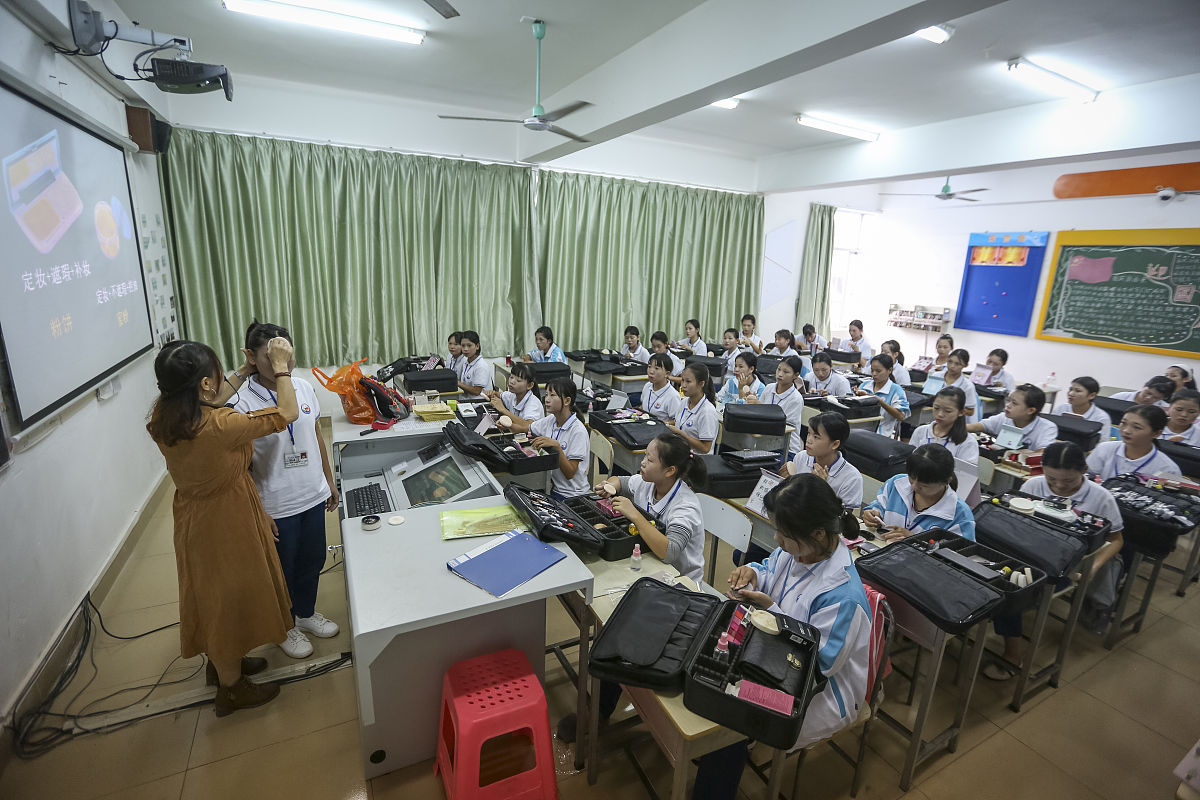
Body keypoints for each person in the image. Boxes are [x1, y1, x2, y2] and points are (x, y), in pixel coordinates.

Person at [692, 475, 871, 800]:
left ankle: (717, 773)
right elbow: (772, 568)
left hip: (821, 691)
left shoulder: (843, 595)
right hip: (773, 654)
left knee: (734, 716)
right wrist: (754, 573)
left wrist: (771, 610)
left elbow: (820, 666)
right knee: (715, 669)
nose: (777, 540)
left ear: (817, 534)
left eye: (784, 535)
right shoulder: (801, 549)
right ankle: (720, 754)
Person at [146, 338, 298, 715]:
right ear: (204, 384)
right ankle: (231, 688)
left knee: (213, 593)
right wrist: (280, 368)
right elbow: (287, 413)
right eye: (214, 374)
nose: (219, 379)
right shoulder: (220, 424)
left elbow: (211, 399)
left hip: (194, 515)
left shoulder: (166, 417)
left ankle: (223, 663)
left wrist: (245, 370)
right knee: (229, 597)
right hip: (226, 517)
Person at [557, 431, 709, 744]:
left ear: (669, 470)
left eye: (649, 459)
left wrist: (635, 514)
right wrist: (610, 485)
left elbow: (669, 551)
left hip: (679, 590)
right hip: (648, 576)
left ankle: (600, 710)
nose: (642, 462)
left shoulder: (685, 507)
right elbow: (623, 482)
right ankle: (602, 702)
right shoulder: (649, 483)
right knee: (606, 614)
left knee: (616, 630)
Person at [231, 321, 340, 660]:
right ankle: (284, 627)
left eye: (287, 356)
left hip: (310, 492)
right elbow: (240, 465)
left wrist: (328, 481)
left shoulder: (303, 387)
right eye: (272, 358)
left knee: (313, 559)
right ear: (250, 357)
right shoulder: (239, 399)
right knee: (282, 570)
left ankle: (305, 614)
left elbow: (316, 436)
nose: (283, 365)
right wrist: (258, 511)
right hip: (275, 501)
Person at [982, 442, 1126, 679]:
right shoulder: (1032, 484)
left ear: (1084, 470)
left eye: (1068, 481)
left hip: (1066, 566)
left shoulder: (1101, 497)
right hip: (1026, 552)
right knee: (995, 575)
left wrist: (1094, 567)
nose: (1059, 487)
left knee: (1013, 588)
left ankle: (1012, 655)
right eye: (1051, 480)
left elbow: (1117, 540)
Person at [863, 444, 976, 540]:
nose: (914, 487)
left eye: (924, 485)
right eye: (911, 478)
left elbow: (958, 556)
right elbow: (879, 506)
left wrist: (915, 540)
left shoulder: (959, 515)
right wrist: (872, 514)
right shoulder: (896, 483)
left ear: (946, 482)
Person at [528, 378, 590, 498]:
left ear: (567, 401)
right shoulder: (552, 419)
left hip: (571, 495)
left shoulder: (578, 431)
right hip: (552, 487)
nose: (547, 399)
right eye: (546, 394)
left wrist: (556, 447)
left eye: (552, 395)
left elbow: (570, 473)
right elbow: (527, 427)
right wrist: (507, 422)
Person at [787, 411, 863, 508]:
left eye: (816, 437)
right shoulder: (801, 457)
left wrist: (822, 490)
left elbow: (844, 518)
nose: (809, 440)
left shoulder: (852, 478)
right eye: (809, 433)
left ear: (835, 444)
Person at [1087, 405, 1182, 479]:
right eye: (1124, 423)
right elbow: (1084, 476)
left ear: (1156, 433)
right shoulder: (1105, 449)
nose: (1126, 431)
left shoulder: (1168, 469)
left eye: (1136, 427)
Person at [966, 384, 1057, 450]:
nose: (1008, 405)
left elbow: (1043, 453)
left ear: (1031, 410)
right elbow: (977, 426)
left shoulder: (1047, 428)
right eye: (1008, 400)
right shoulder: (1003, 418)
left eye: (1014, 403)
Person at [748, 355, 805, 458]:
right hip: (765, 442)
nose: (780, 374)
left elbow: (784, 426)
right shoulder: (769, 388)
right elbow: (758, 414)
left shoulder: (796, 398)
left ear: (796, 375)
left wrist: (760, 406)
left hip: (786, 448)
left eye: (786, 372)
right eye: (779, 369)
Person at [910, 386, 979, 465]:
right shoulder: (921, 431)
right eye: (936, 408)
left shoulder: (968, 442)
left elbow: (966, 475)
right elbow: (910, 460)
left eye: (947, 411)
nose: (940, 414)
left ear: (961, 412)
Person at [668, 362, 719, 454]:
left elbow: (705, 448)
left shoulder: (707, 412)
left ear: (701, 384)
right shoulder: (684, 402)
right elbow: (679, 422)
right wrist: (666, 423)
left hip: (698, 460)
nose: (683, 385)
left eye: (688, 381)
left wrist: (682, 435)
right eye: (682, 380)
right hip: (682, 453)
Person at [855, 353, 909, 439]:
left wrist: (879, 401)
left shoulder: (896, 390)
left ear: (890, 370)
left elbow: (901, 416)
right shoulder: (865, 385)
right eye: (872, 370)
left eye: (878, 371)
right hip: (858, 430)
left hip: (881, 435)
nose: (874, 374)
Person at [485, 361, 545, 425]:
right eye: (511, 377)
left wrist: (503, 410)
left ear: (529, 385)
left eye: (518, 380)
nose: (512, 382)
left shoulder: (533, 404)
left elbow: (528, 426)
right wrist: (492, 393)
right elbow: (499, 394)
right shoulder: (513, 395)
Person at [640, 353, 684, 421]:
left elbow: (677, 421)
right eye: (649, 366)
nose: (651, 371)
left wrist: (662, 424)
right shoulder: (647, 386)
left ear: (667, 373)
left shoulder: (673, 396)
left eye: (656, 368)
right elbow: (642, 407)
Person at [939, 348, 979, 422]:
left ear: (965, 365)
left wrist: (951, 410)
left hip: (956, 421)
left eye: (957, 364)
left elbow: (971, 411)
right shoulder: (936, 376)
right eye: (950, 362)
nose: (952, 366)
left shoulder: (968, 386)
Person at [456, 330, 493, 396]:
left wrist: (458, 383)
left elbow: (476, 391)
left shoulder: (481, 365)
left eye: (469, 345)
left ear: (477, 346)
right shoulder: (466, 362)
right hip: (466, 399)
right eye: (463, 346)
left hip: (478, 402)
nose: (465, 349)